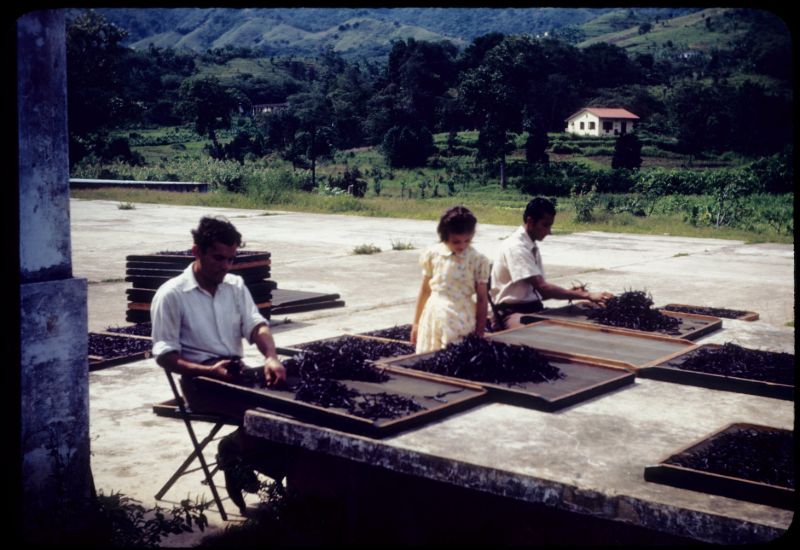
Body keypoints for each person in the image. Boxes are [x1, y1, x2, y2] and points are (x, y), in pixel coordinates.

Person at [151, 215, 290, 515]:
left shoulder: (235, 286)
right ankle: (234, 453)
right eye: (218, 258)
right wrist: (208, 371)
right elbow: (164, 355)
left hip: (235, 373)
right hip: (200, 381)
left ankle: (245, 455)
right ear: (196, 251)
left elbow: (257, 327)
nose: (225, 266)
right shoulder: (171, 295)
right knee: (270, 416)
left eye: (231, 259)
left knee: (298, 401)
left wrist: (271, 358)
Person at [490, 197, 614, 330]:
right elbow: (543, 288)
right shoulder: (516, 247)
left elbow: (540, 293)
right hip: (511, 313)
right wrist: (588, 295)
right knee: (538, 334)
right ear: (530, 221)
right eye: (545, 225)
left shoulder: (531, 246)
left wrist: (570, 293)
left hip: (533, 309)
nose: (549, 231)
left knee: (587, 314)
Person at [411, 206, 491, 354]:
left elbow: (482, 298)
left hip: (461, 318)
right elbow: (425, 290)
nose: (462, 246)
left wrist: (480, 332)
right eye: (456, 242)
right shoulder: (433, 254)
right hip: (433, 315)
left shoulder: (478, 260)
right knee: (428, 358)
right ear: (445, 236)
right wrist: (416, 322)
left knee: (454, 357)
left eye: (467, 241)